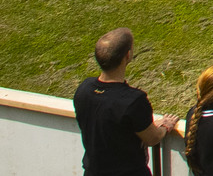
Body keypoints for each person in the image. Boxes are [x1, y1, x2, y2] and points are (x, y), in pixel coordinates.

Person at [75, 27, 178, 175]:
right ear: (127, 56)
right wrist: (165, 127)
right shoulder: (133, 100)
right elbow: (152, 138)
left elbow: (109, 122)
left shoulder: (84, 89)